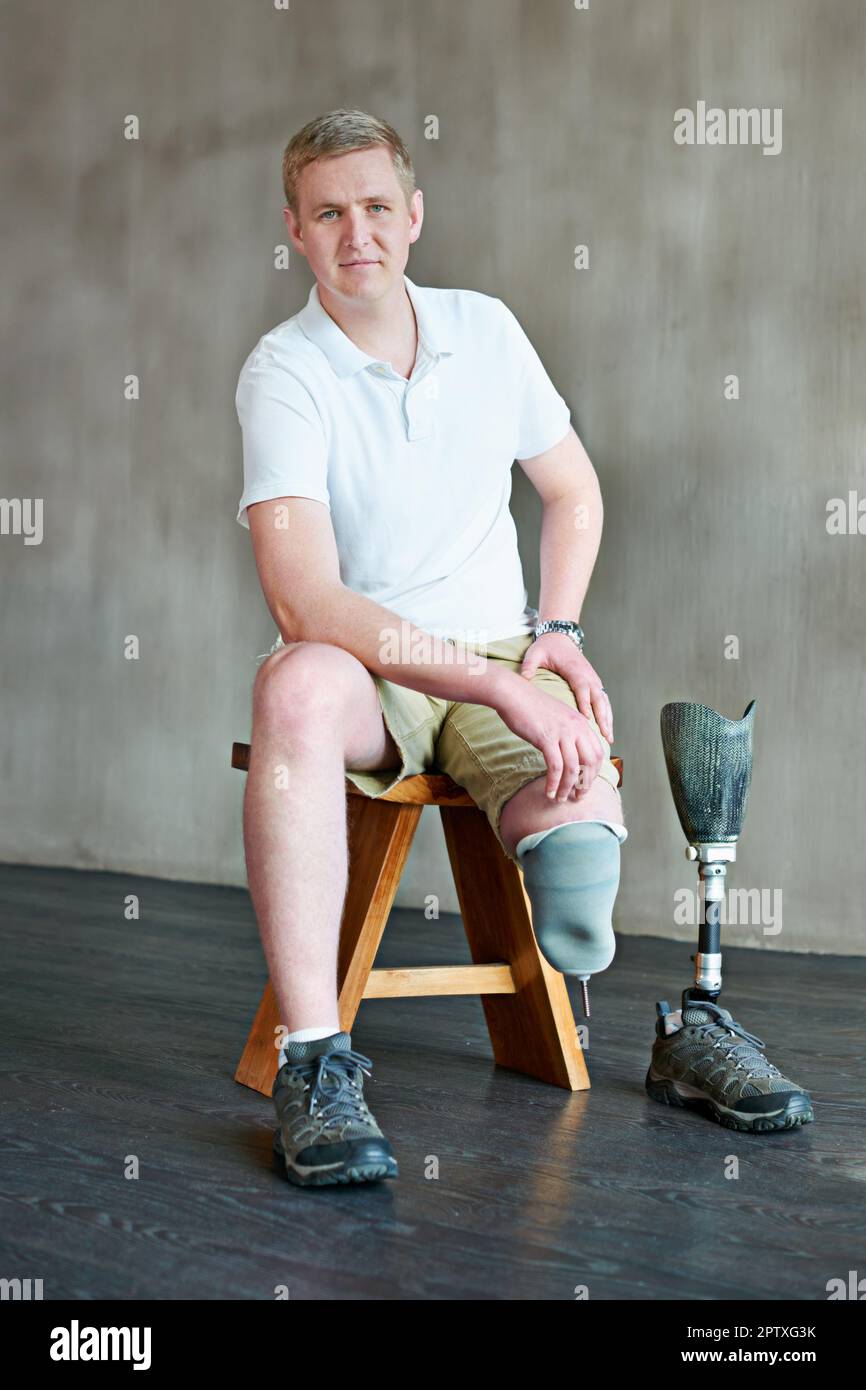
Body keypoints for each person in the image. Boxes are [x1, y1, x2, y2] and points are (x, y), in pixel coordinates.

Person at [234, 108, 799, 1189]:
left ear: (413, 215)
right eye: (327, 213)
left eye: (375, 207)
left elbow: (571, 489)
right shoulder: (283, 371)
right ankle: (313, 1064)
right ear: (296, 231)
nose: (357, 232)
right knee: (296, 687)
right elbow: (307, 600)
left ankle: (682, 1028)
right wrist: (500, 683)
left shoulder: (483, 329)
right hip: (370, 664)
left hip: (500, 651)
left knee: (580, 889)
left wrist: (555, 637)